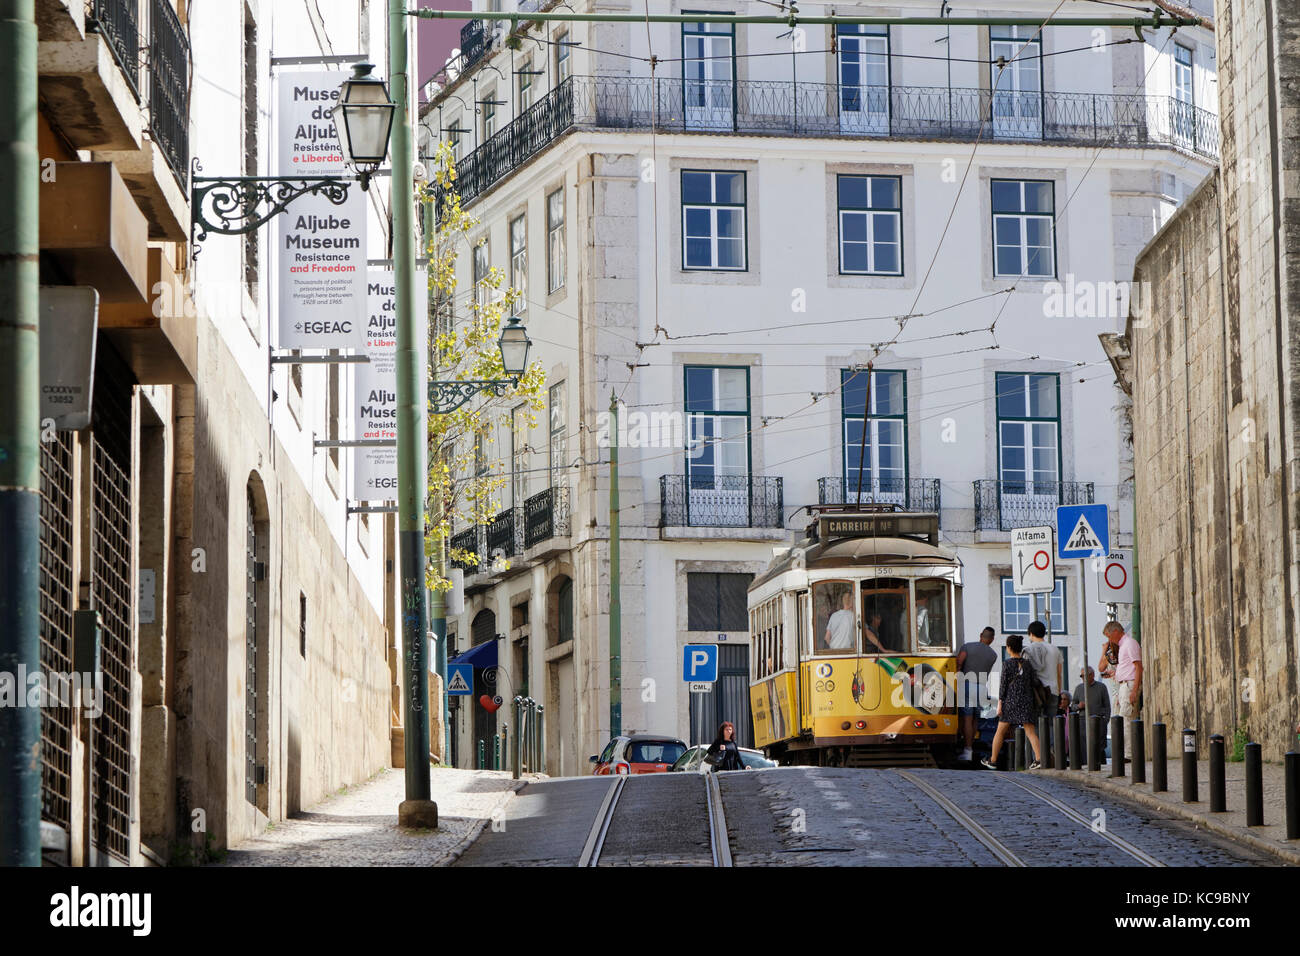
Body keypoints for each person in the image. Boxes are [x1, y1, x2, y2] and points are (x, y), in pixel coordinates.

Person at [980, 634, 1042, 770]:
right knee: (1030, 732)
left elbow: (1003, 686)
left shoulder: (1007, 664)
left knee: (1000, 731)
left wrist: (1000, 705)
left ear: (1008, 648)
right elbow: (1034, 682)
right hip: (1026, 701)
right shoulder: (1027, 664)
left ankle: (993, 760)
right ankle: (1038, 759)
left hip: (1011, 702)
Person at [955, 627, 997, 762]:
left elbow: (959, 663)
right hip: (982, 688)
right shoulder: (993, 654)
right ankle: (970, 749)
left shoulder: (967, 647)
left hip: (967, 685)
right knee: (975, 720)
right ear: (992, 639)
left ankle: (967, 750)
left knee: (966, 718)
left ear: (981, 635)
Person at [1097, 621, 1142, 719]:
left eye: (1109, 636)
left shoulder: (1129, 643)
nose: (1109, 640)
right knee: (1122, 721)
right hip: (1123, 686)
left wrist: (1134, 691)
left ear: (1116, 632)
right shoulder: (1123, 645)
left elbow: (1138, 667)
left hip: (1128, 685)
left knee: (1126, 721)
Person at [1072, 665, 1112, 759]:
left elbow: (1107, 706)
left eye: (1085, 675)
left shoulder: (1101, 687)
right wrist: (1078, 706)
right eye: (1081, 676)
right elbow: (1073, 706)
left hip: (1098, 721)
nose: (1083, 678)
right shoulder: (1079, 688)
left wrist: (1105, 721)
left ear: (1092, 675)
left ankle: (1100, 766)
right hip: (1083, 721)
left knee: (1099, 747)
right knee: (1084, 748)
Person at [1021, 620, 1063, 703]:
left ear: (1031, 634)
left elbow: (1024, 674)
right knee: (1051, 716)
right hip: (1053, 692)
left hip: (1035, 694)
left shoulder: (1028, 650)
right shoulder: (1055, 649)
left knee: (1036, 716)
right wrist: (1058, 693)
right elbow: (1059, 674)